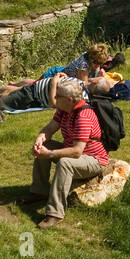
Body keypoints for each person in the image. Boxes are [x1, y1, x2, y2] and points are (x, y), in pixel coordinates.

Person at [21, 77, 110, 228]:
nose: (54, 98)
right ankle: (40, 191)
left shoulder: (83, 116)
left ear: (69, 99)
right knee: (47, 144)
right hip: (77, 153)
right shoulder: (64, 110)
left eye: (58, 96)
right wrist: (40, 139)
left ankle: (55, 213)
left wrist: (49, 154)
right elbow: (50, 128)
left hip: (93, 159)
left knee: (65, 163)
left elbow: (76, 152)